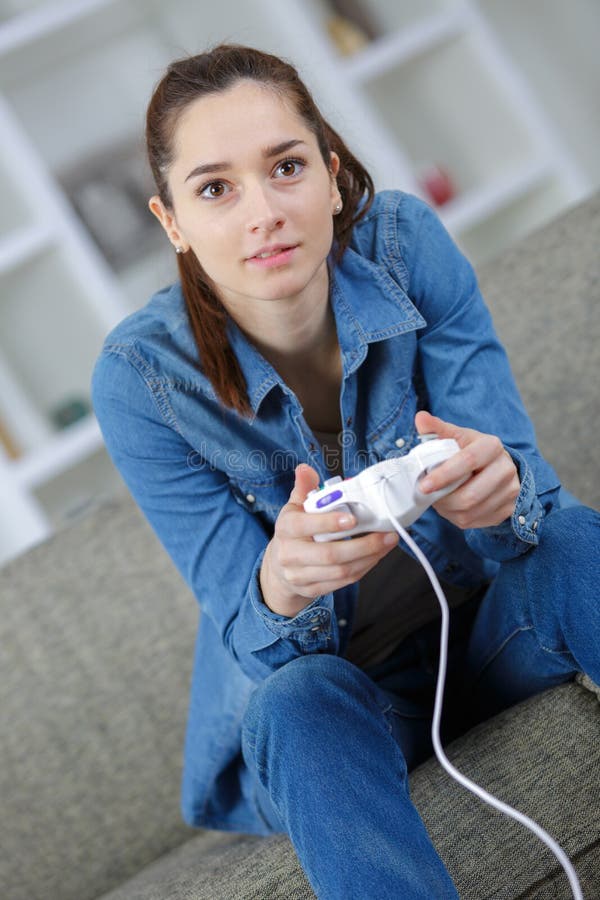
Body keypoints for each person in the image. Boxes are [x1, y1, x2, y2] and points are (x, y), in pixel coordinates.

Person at [91, 44, 599, 899]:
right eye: (216, 189)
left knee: (578, 541)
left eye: (286, 167)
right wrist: (285, 582)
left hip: (485, 635)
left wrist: (503, 490)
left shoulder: (405, 244)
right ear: (172, 222)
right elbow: (250, 637)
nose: (264, 213)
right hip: (346, 703)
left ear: (330, 178)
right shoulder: (141, 381)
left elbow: (532, 501)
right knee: (297, 704)